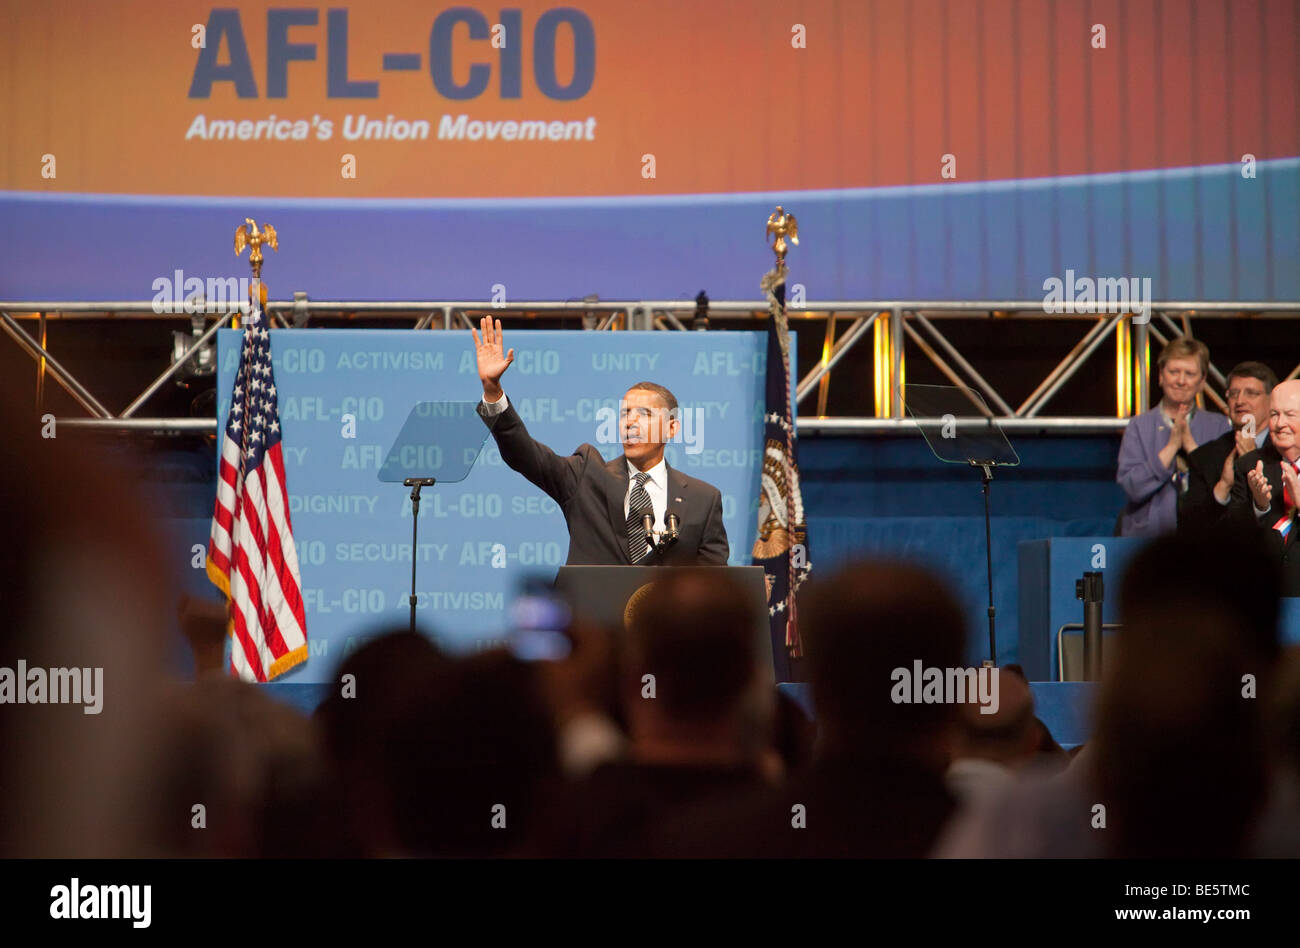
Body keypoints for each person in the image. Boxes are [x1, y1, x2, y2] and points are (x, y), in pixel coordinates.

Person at [471, 316, 729, 565]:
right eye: (625, 413)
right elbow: (524, 454)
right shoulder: (586, 476)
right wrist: (493, 391)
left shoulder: (703, 499)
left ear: (671, 428)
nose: (630, 422)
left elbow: (714, 584)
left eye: (644, 414)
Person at [1116, 338, 1231, 536]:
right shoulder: (1139, 426)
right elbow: (1132, 488)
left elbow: (1225, 487)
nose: (1181, 381)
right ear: (1161, 375)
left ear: (1202, 381)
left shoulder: (1219, 425)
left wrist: (1192, 447)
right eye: (1174, 372)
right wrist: (1171, 447)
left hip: (1205, 537)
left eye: (1190, 374)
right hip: (1148, 538)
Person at [1180, 361, 1277, 533]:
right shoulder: (1205, 456)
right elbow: (1189, 527)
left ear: (1271, 400)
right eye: (1233, 394)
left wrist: (1252, 460)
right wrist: (1223, 487)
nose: (1240, 401)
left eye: (1251, 393)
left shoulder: (1285, 449)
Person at [1234, 378, 1300, 596]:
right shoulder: (1250, 465)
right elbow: (1230, 535)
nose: (1280, 423)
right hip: (1262, 594)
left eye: (1289, 414)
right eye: (1274, 414)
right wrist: (1259, 506)